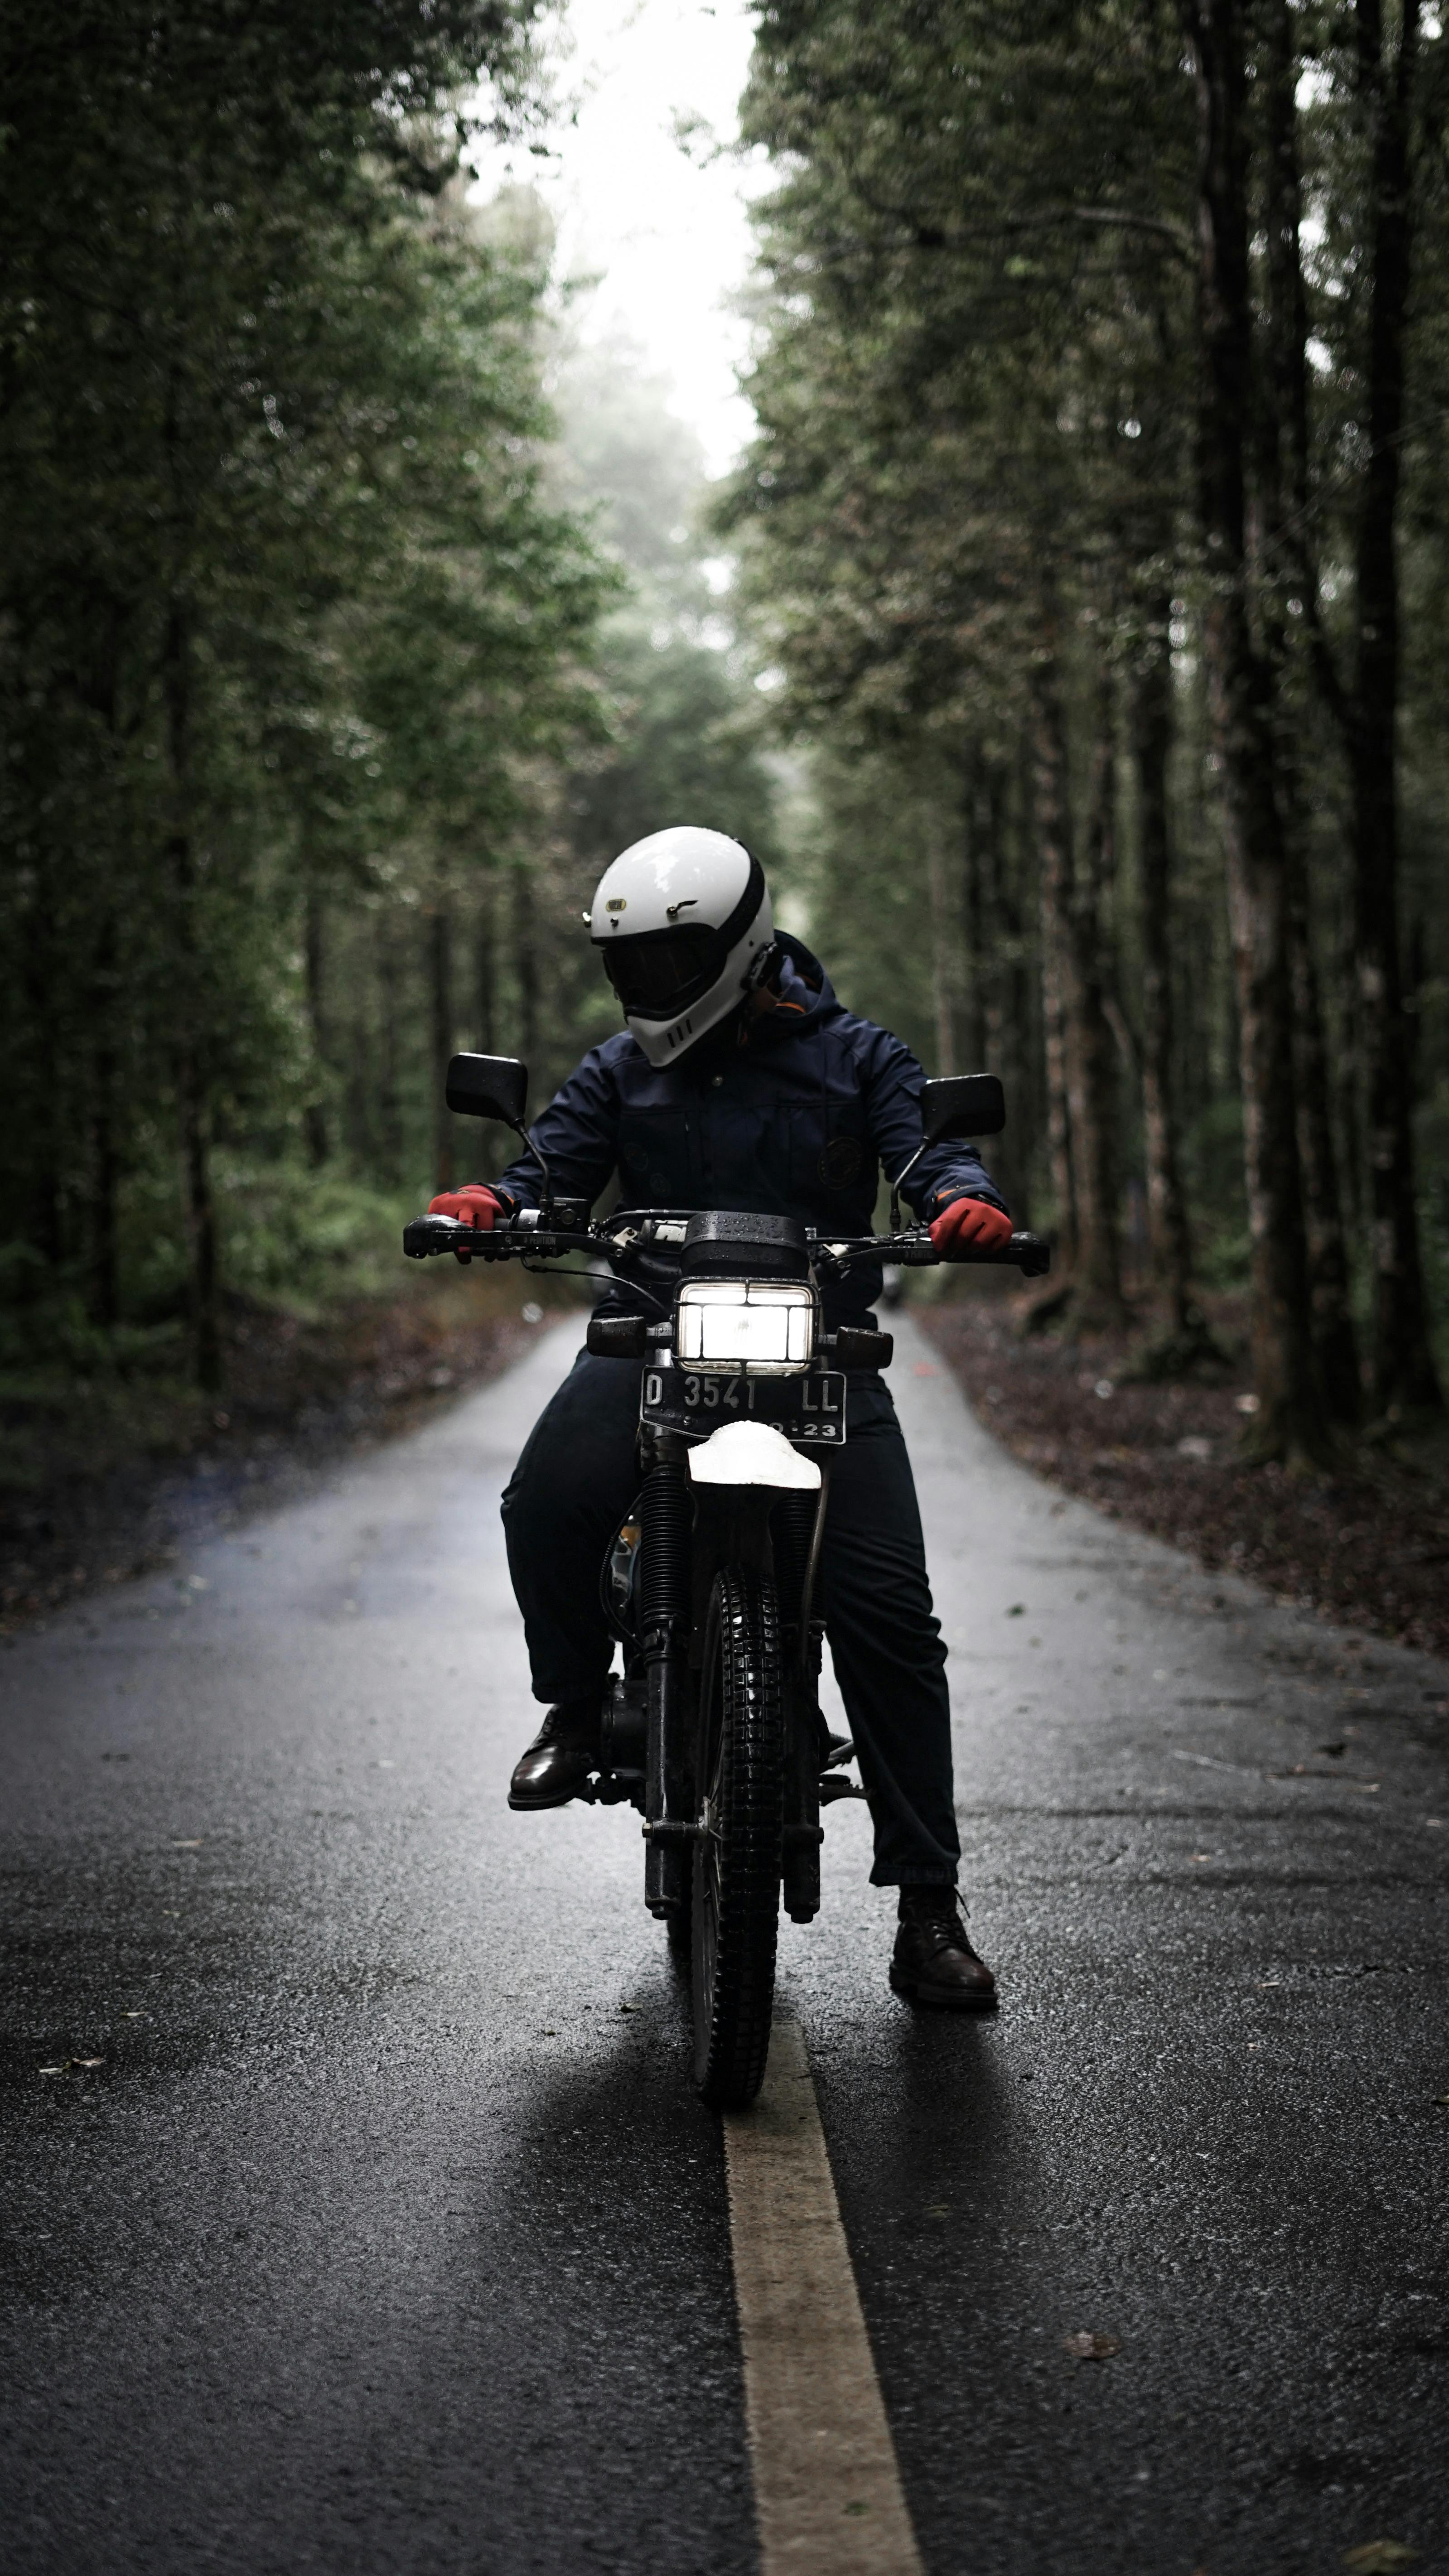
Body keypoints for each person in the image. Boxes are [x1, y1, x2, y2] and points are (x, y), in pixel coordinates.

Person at [429, 826, 1013, 2010]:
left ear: (739, 947)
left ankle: (928, 1909)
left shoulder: (859, 1056)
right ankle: (576, 1708)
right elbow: (551, 1173)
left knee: (891, 1617)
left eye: (668, 959)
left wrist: (963, 1203)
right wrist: (495, 1202)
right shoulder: (619, 1070)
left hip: (820, 1352)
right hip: (652, 1335)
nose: (647, 983)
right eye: (630, 963)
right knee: (545, 1501)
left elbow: (930, 1154)